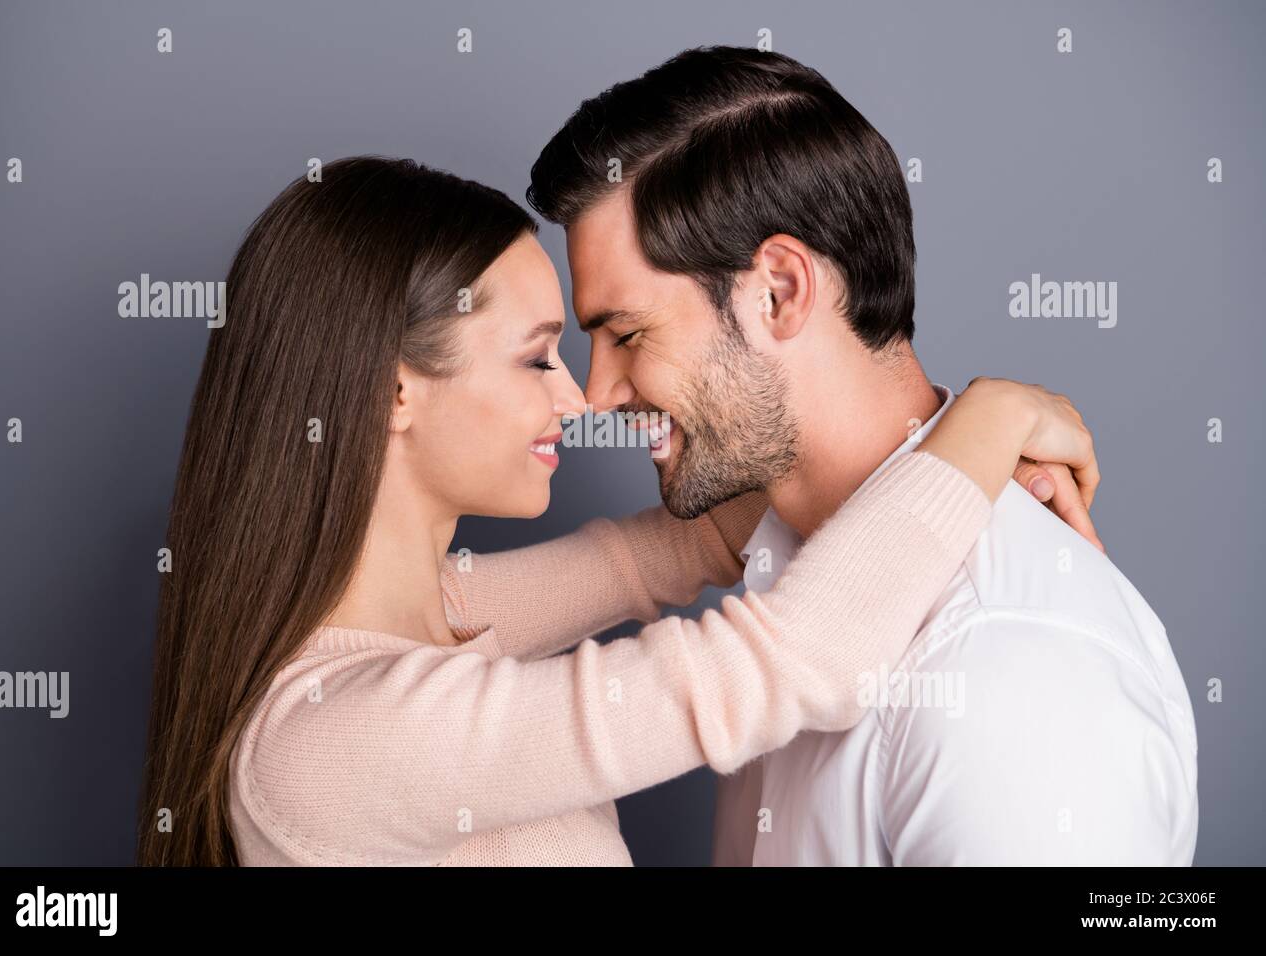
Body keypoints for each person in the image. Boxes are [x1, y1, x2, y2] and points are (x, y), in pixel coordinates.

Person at [136, 157, 1102, 866]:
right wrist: (988, 416)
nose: (578, 398)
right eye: (535, 358)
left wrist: (927, 455)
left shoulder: (440, 619)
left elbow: (660, 556)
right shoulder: (333, 735)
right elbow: (787, 664)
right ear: (393, 393)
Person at [526, 46, 1197, 865]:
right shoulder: (791, 584)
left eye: (627, 334)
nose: (597, 397)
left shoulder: (1007, 669)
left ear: (778, 290)